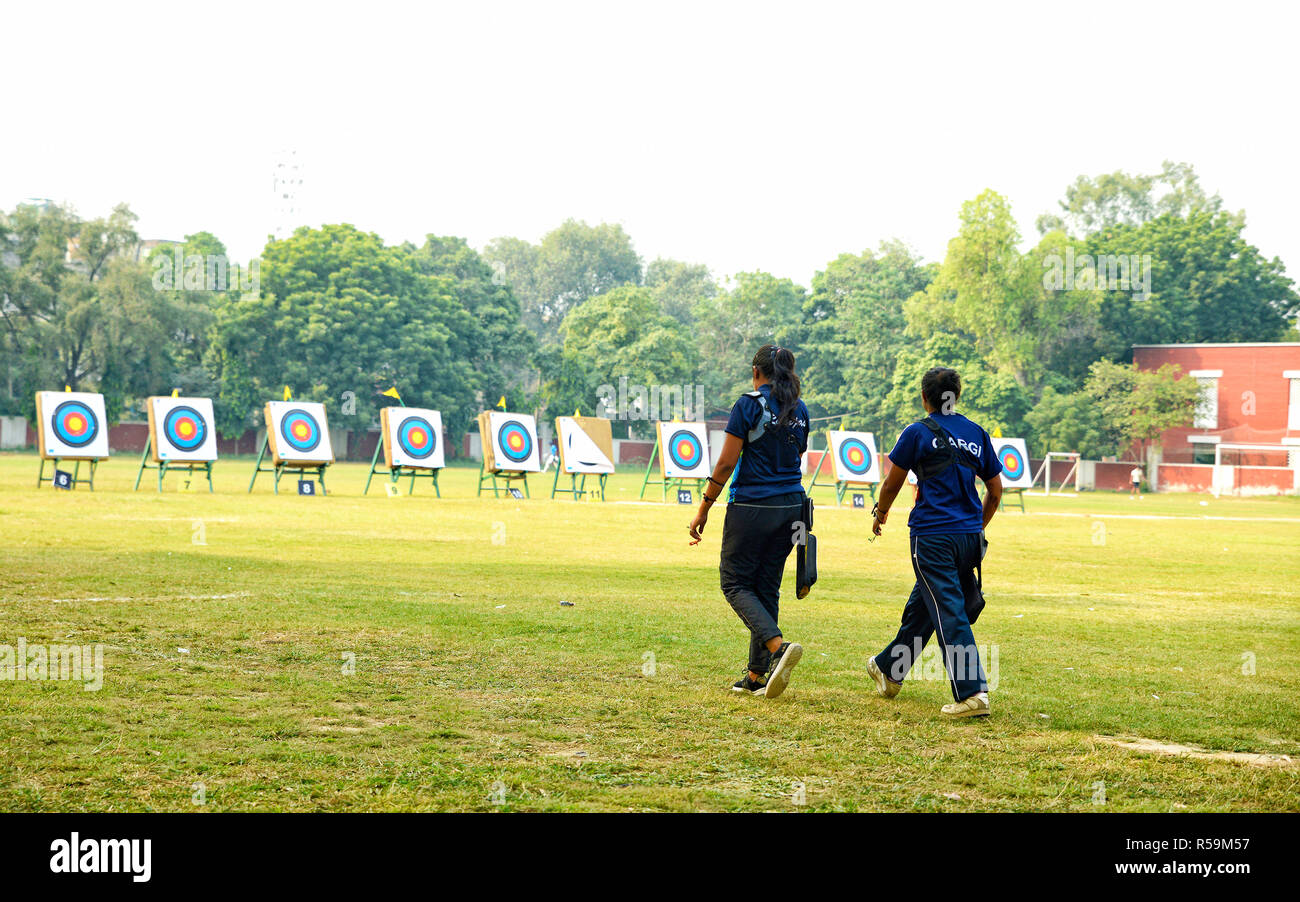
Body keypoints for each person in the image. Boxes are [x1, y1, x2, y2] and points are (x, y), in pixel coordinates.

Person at [867, 367, 1003, 718]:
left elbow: (892, 484)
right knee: (925, 606)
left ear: (924, 397)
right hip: (969, 539)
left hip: (932, 537)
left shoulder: (917, 432)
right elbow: (995, 491)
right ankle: (889, 669)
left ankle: (972, 692)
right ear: (956, 397)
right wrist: (975, 526)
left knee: (948, 611)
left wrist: (880, 514)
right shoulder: (977, 433)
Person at [689, 345, 810, 699]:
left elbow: (726, 464)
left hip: (753, 507)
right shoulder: (799, 409)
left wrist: (704, 507)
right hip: (792, 508)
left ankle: (778, 648)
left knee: (735, 583)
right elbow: (795, 454)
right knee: (766, 586)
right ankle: (757, 675)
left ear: (756, 371)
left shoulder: (748, 404)